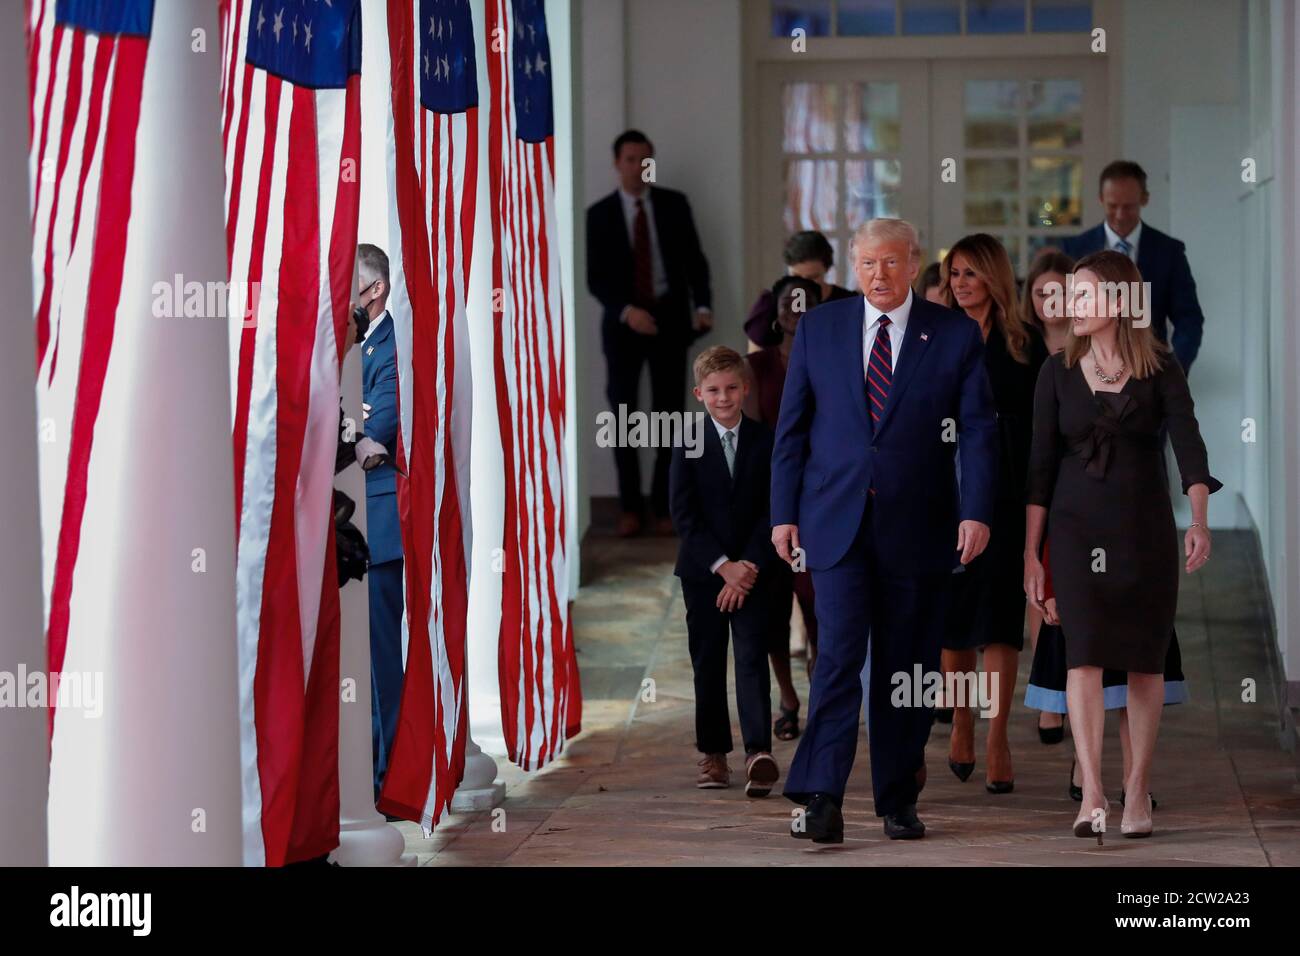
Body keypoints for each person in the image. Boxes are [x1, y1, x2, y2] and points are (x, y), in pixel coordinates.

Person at [771, 217, 998, 843]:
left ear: (914, 262)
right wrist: (783, 514)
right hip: (834, 523)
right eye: (868, 263)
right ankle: (822, 797)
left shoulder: (951, 334)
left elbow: (978, 429)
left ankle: (898, 797)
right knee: (838, 657)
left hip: (921, 526)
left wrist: (975, 510)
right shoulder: (821, 327)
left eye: (893, 263)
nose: (880, 274)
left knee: (906, 667)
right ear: (853, 263)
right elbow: (791, 430)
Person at [1024, 250, 1219, 842]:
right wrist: (1031, 555)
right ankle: (1092, 792)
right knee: (1081, 657)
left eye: (1083, 295)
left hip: (1144, 530)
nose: (1070, 306)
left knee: (1143, 661)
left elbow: (1190, 447)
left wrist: (1201, 521)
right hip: (1075, 531)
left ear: (1120, 302)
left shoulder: (1161, 368)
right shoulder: (1054, 372)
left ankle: (1137, 788)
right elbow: (1038, 470)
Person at [936, 234, 1047, 795]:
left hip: (1006, 491)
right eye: (954, 273)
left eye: (971, 273)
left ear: (994, 278)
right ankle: (961, 720)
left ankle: (999, 734)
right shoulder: (934, 334)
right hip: (945, 492)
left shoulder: (1026, 343)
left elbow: (1043, 427)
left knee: (1000, 619)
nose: (960, 283)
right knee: (953, 617)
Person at [587, 130, 714, 537]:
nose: (639, 167)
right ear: (616, 163)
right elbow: (595, 278)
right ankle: (629, 508)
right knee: (623, 416)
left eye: (646, 160)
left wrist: (703, 306)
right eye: (630, 159)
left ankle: (663, 506)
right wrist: (627, 312)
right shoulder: (599, 214)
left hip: (670, 324)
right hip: (623, 327)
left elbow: (696, 260)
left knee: (668, 416)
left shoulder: (674, 205)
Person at [669, 346, 781, 797]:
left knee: (752, 657)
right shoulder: (686, 441)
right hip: (703, 575)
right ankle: (714, 754)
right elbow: (683, 514)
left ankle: (758, 752)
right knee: (708, 662)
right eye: (714, 390)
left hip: (755, 573)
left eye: (732, 388)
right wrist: (722, 567)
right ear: (699, 393)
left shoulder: (766, 440)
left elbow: (774, 507)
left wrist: (747, 567)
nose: (723, 397)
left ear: (745, 389)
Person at [743, 275, 823, 742]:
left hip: (819, 499)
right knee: (773, 609)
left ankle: (821, 697)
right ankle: (787, 696)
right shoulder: (756, 366)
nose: (795, 308)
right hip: (773, 500)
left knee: (818, 607)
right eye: (787, 303)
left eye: (804, 301)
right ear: (775, 313)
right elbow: (753, 443)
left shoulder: (830, 360)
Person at [1061, 160, 1205, 373]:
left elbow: (1188, 319)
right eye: (1112, 206)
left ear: (1144, 199)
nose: (1120, 215)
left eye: (1128, 206)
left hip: (1149, 370)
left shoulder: (1169, 251)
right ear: (1101, 199)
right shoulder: (1074, 249)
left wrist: (1175, 369)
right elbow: (1062, 313)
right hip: (1087, 371)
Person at [354, 243, 404, 802]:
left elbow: (379, 426)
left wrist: (356, 420)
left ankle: (386, 779)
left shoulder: (392, 345)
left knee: (378, 657)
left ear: (376, 291)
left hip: (379, 523)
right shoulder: (345, 342)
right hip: (342, 523)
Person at [743, 231, 856, 348]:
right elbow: (754, 360)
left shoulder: (849, 304)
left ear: (826, 270)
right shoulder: (769, 305)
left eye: (812, 278)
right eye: (795, 277)